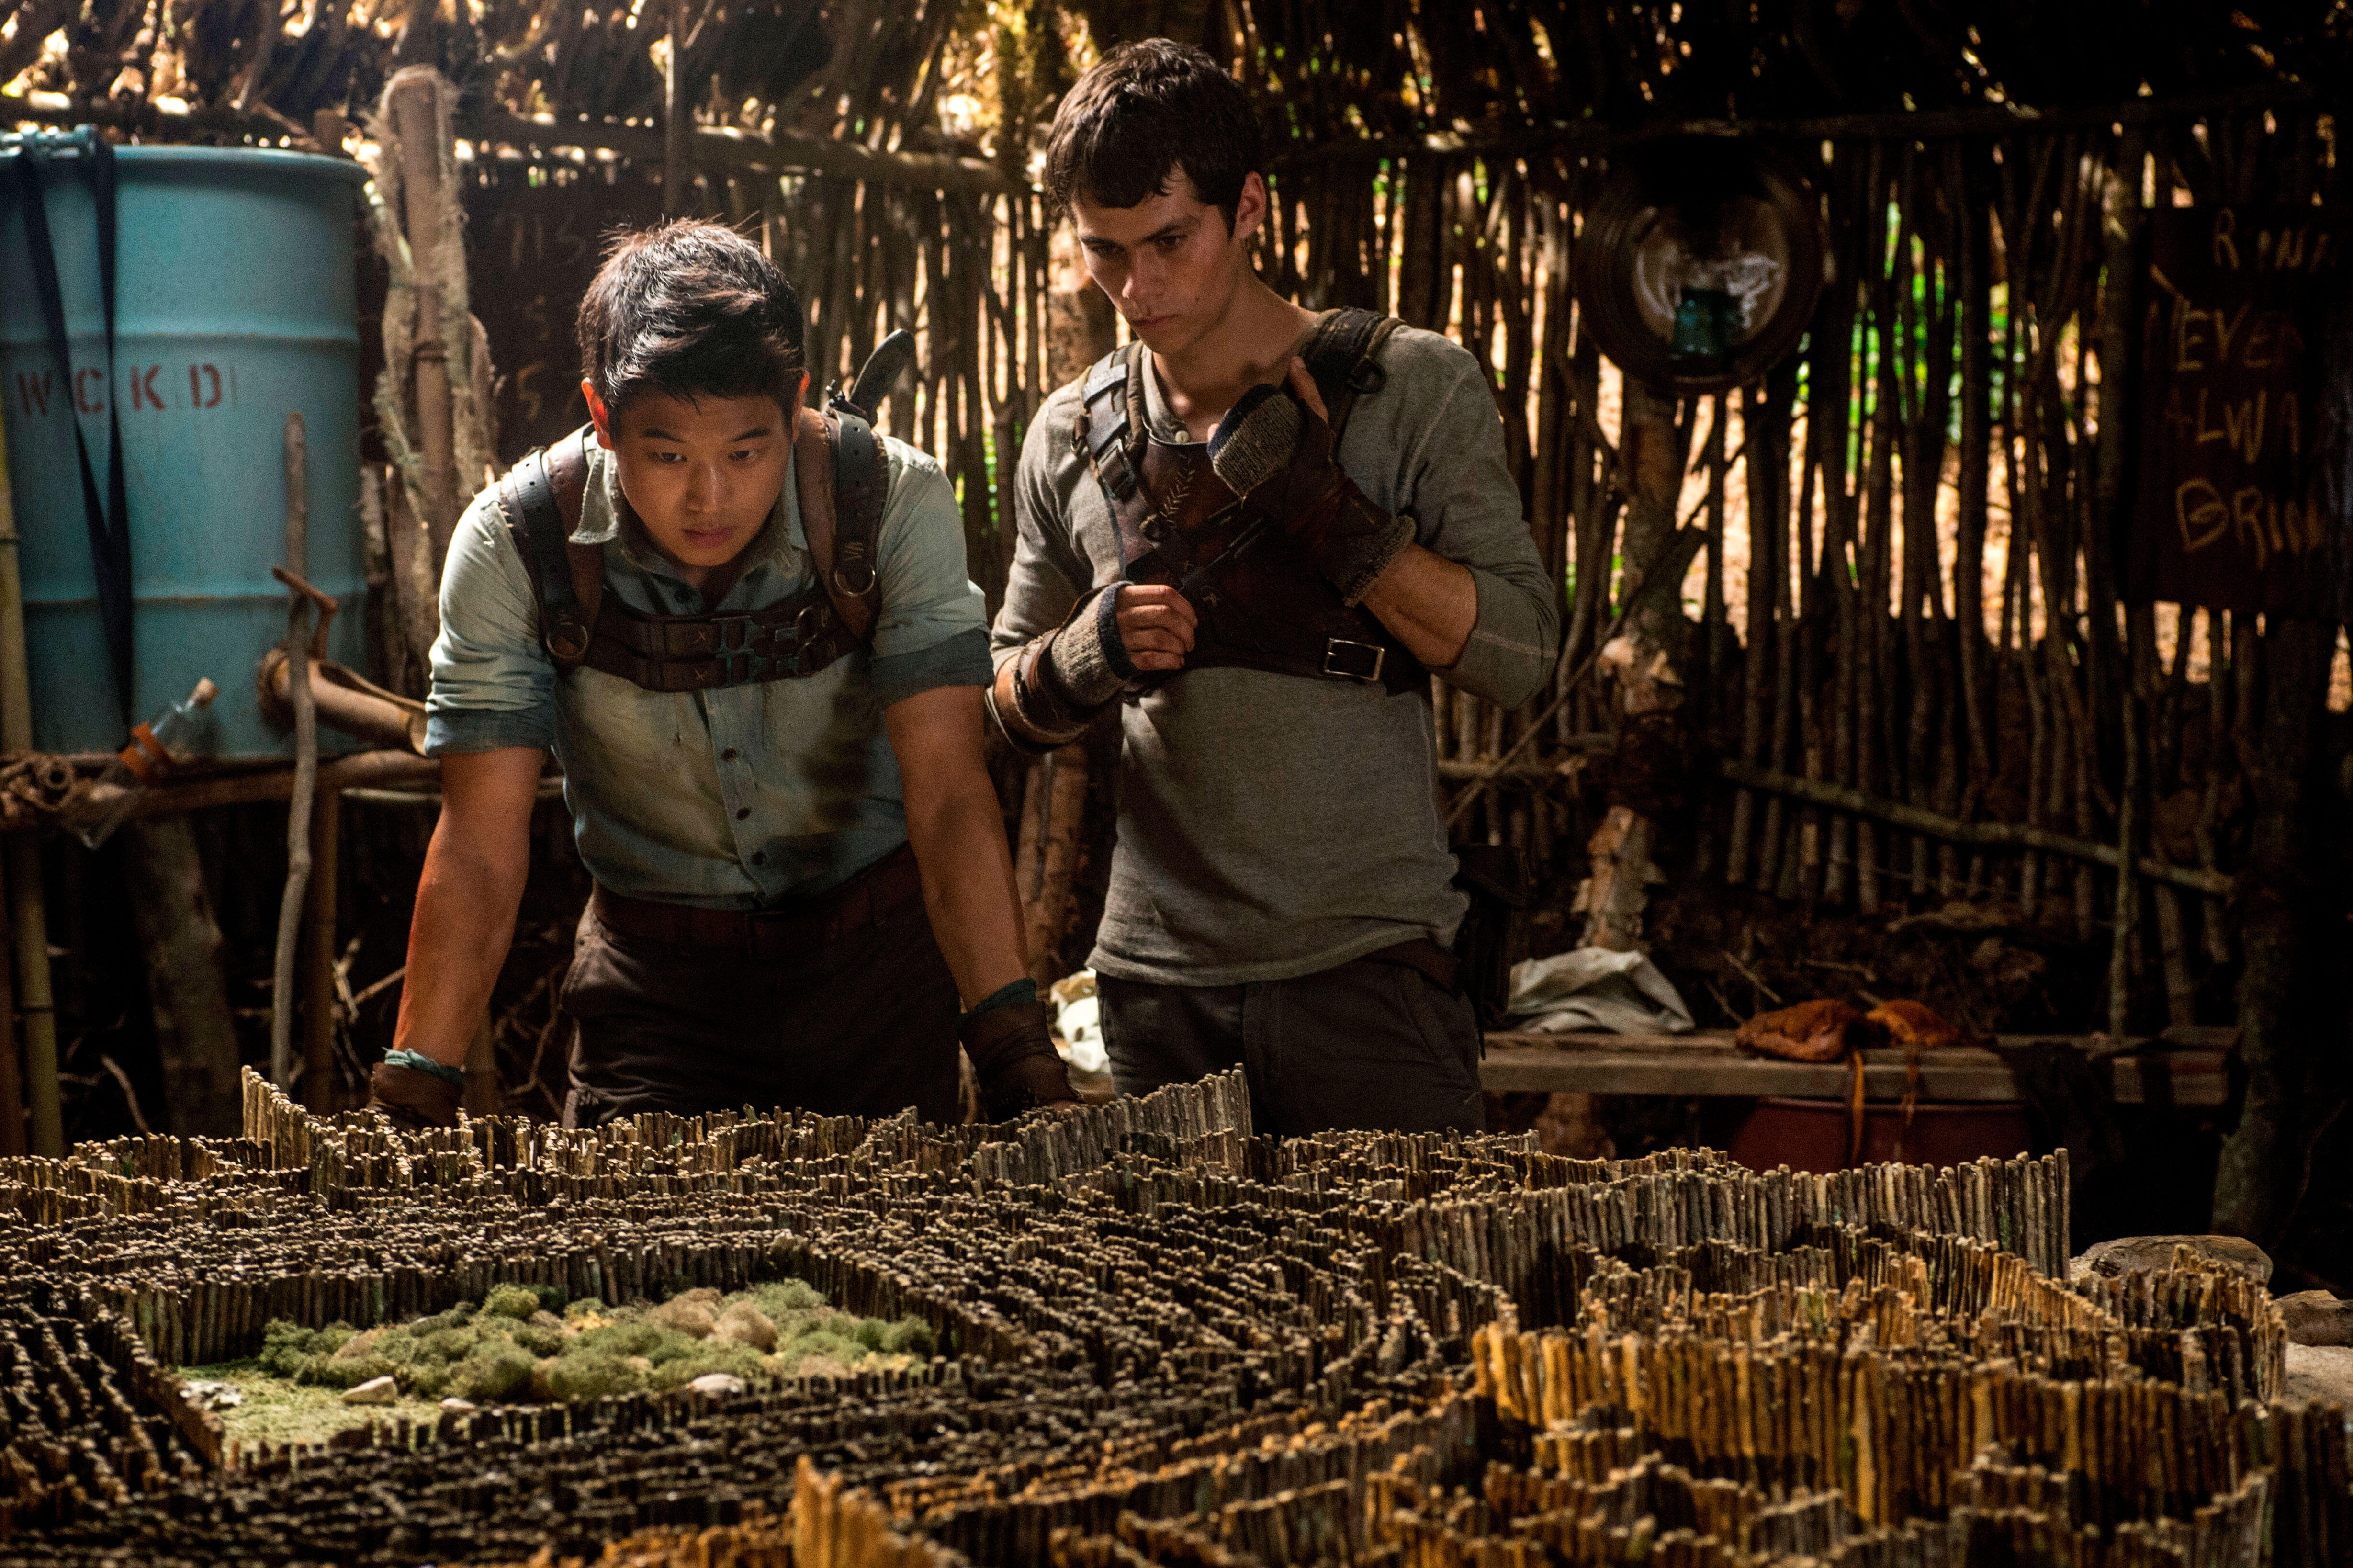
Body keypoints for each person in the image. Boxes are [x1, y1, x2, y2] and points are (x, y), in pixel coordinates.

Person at [367, 220, 1073, 1131]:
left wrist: (1012, 1042)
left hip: (878, 982)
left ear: (799, 406)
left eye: (747, 452)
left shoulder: (887, 503)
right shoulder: (517, 546)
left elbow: (946, 794)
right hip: (653, 996)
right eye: (667, 456)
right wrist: (419, 1084)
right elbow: (477, 845)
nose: (710, 498)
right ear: (602, 416)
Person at [988, 41, 1559, 1136]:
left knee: (1400, 1298)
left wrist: (1335, 521)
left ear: (1248, 208)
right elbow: (991, 705)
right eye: (1103, 252)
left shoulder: (1409, 387)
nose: (1137, 289)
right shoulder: (1068, 436)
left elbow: (1524, 656)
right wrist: (1080, 655)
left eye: (1169, 242)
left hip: (1372, 975)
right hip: (1153, 991)